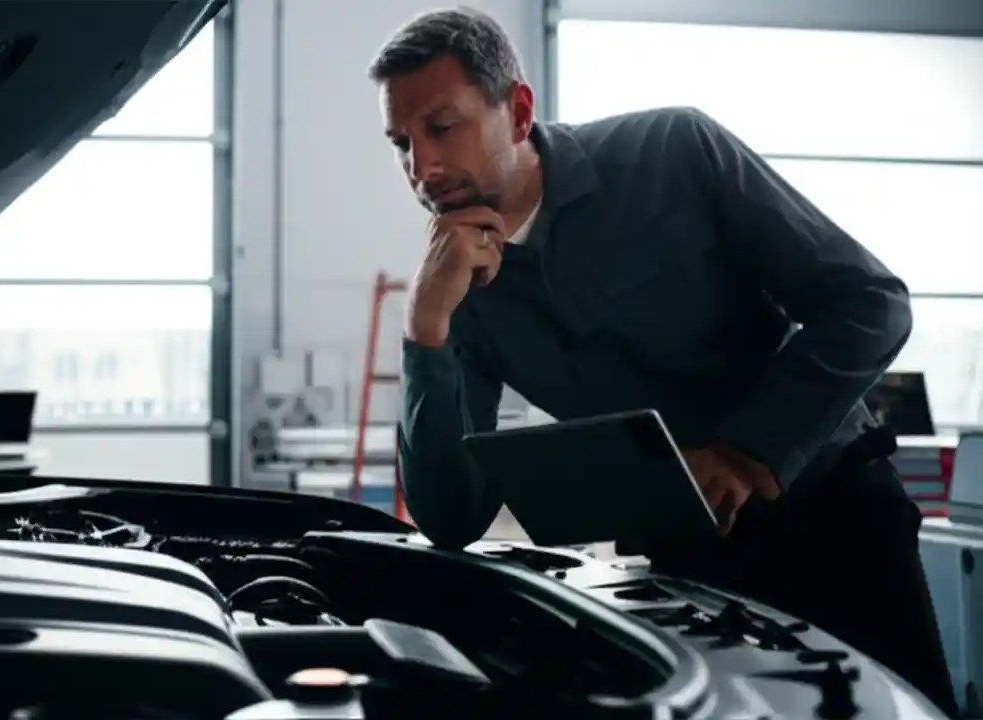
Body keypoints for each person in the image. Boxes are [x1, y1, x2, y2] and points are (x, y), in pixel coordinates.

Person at [370, 7, 958, 717]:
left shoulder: (674, 150)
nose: (421, 168)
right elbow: (453, 518)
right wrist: (424, 325)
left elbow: (870, 302)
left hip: (835, 525)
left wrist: (747, 451)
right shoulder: (456, 283)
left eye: (441, 127)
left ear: (518, 111)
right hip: (685, 568)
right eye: (401, 143)